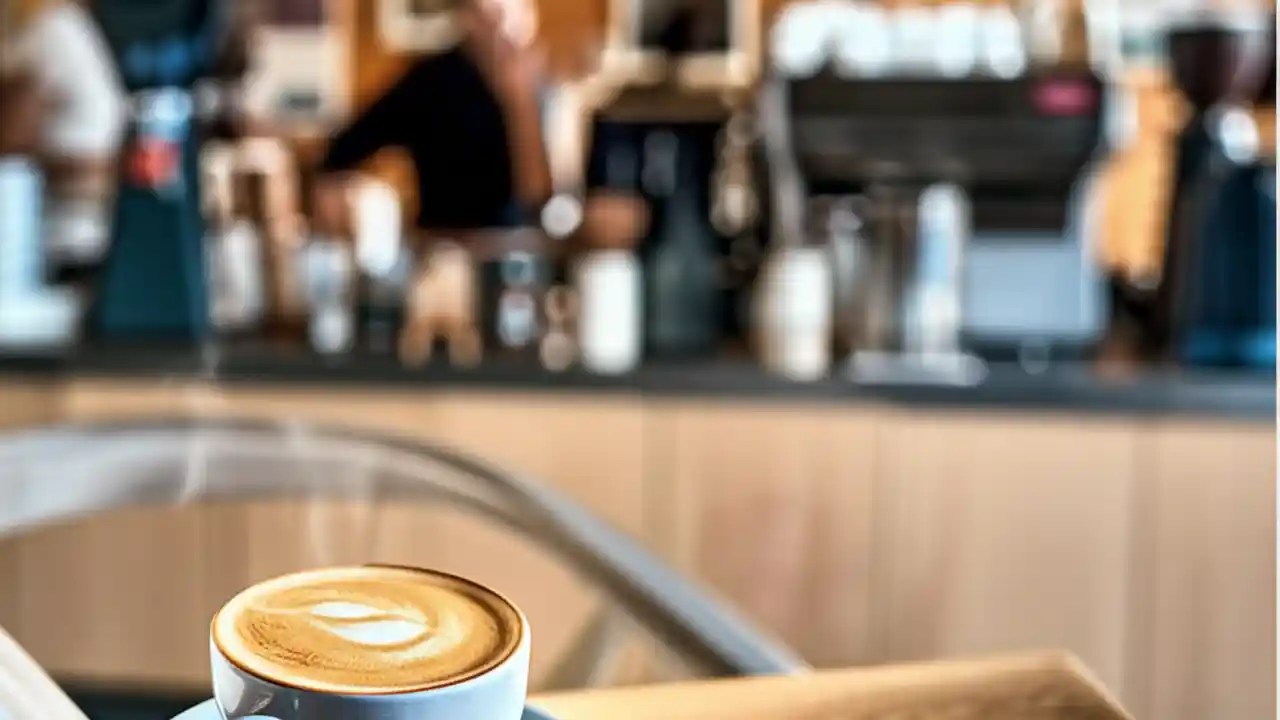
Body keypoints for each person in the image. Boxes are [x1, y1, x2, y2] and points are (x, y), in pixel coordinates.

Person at [312, 0, 552, 236]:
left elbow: (539, 195)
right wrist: (370, 198)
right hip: (444, 245)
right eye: (490, 17)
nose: (505, 31)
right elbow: (342, 150)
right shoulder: (430, 83)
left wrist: (519, 104)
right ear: (466, 19)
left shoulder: (547, 88)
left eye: (512, 16)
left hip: (526, 246)